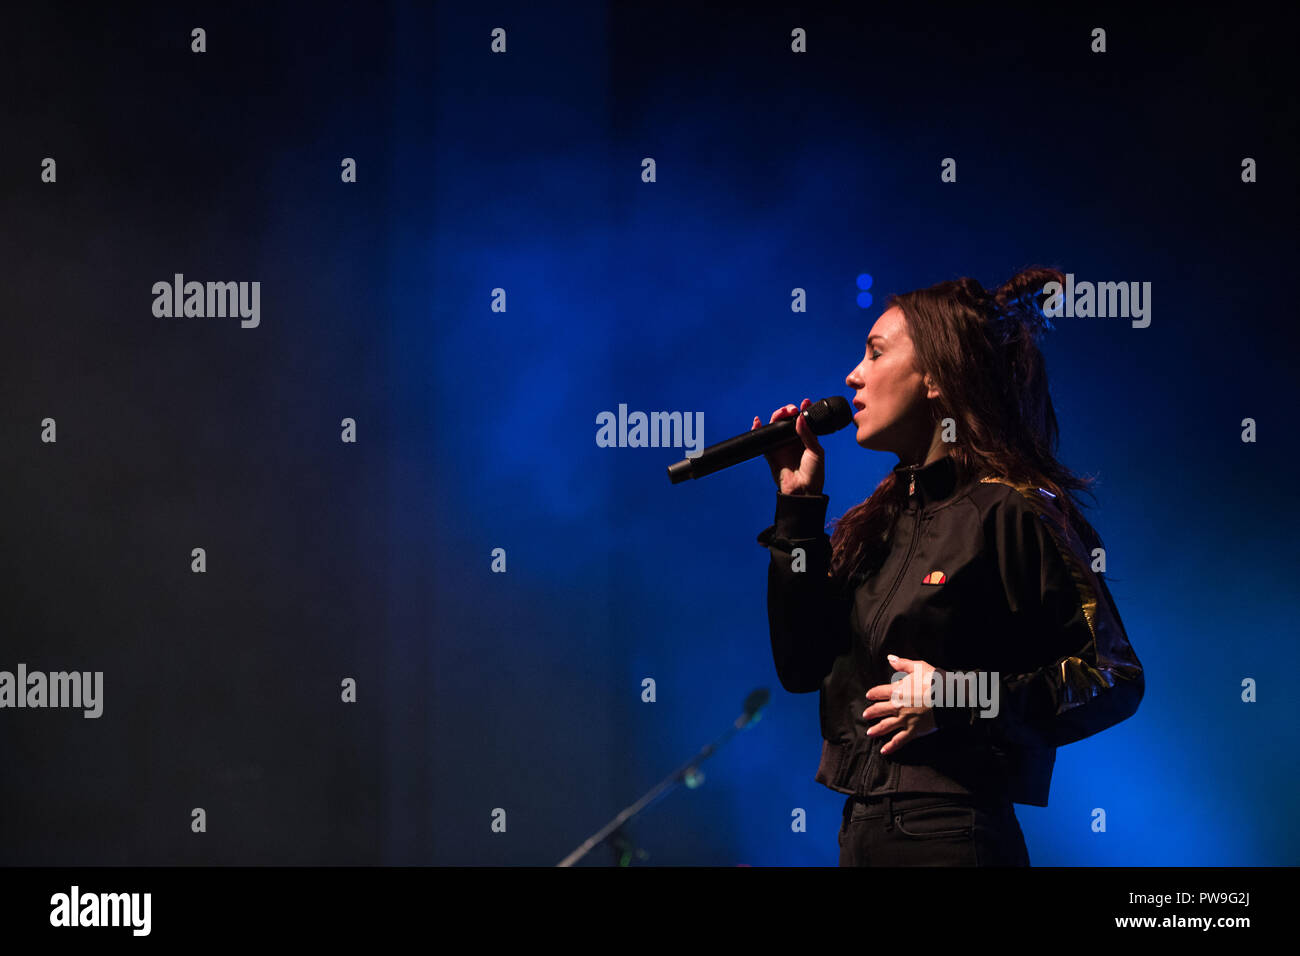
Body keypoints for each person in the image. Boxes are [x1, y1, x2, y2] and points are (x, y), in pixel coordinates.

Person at [753, 267, 1144, 866]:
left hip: (952, 834)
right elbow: (802, 665)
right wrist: (798, 511)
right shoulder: (882, 522)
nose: (853, 375)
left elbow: (1113, 678)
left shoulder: (1009, 509)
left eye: (875, 352)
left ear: (935, 377)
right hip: (861, 830)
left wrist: (958, 697)